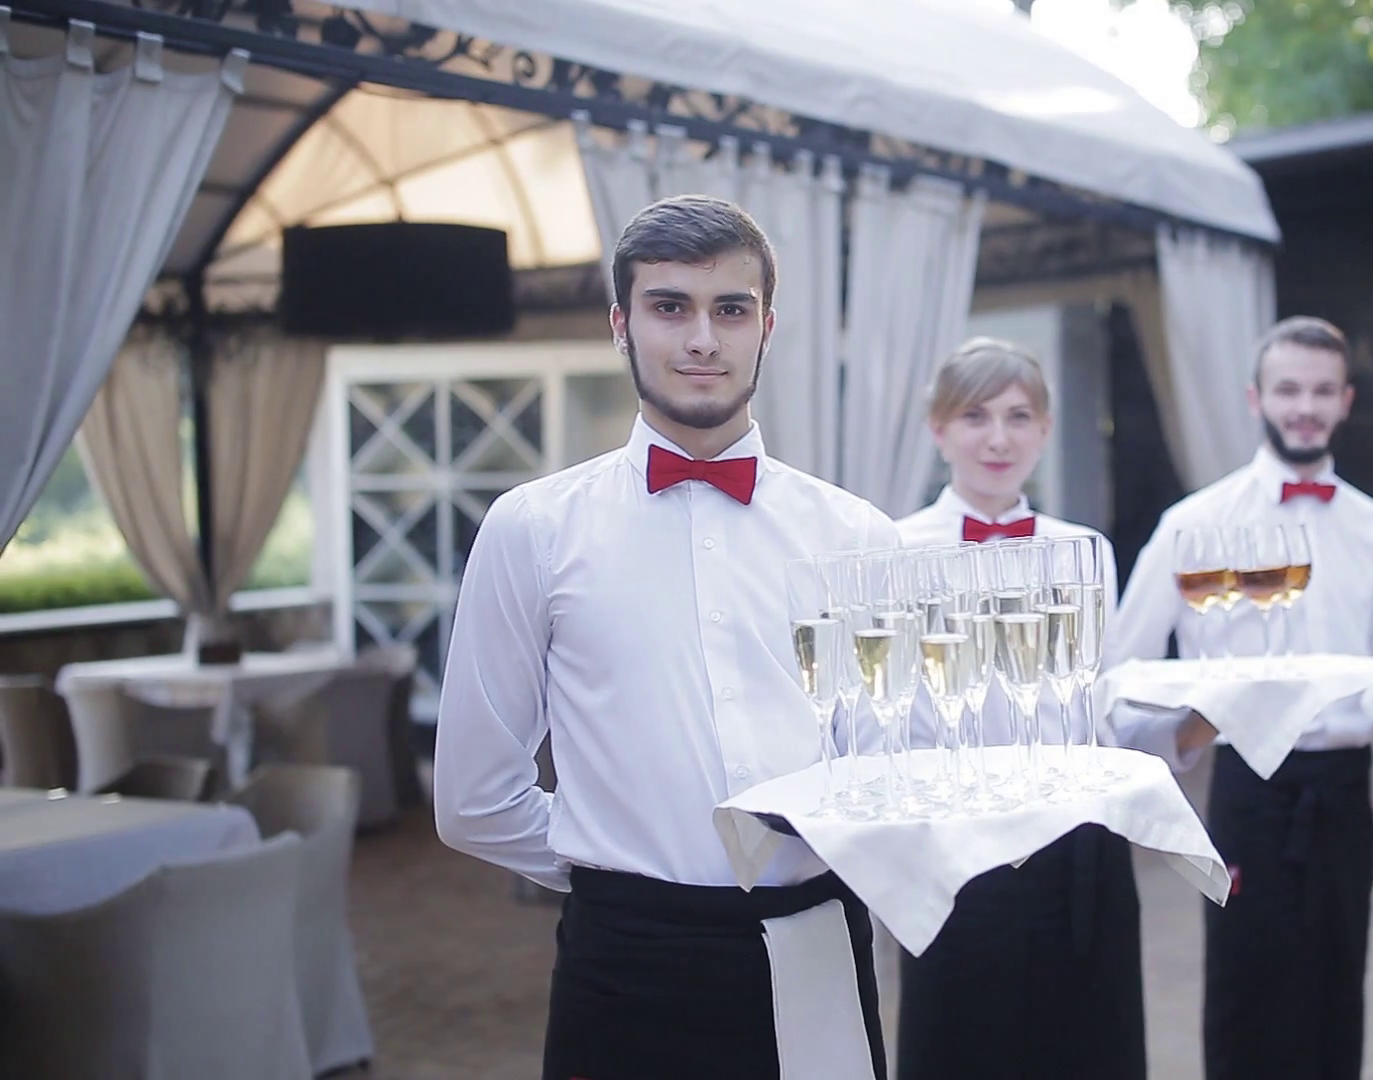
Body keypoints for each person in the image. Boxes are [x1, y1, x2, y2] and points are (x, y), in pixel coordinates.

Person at [435, 194, 897, 1080]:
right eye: (670, 306)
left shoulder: (859, 536)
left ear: (767, 327)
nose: (701, 339)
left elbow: (885, 768)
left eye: (730, 309)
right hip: (625, 966)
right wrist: (620, 865)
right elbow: (472, 799)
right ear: (621, 324)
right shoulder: (532, 528)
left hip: (816, 944)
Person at [1106, 315, 1373, 1080]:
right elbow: (1120, 672)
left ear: (1346, 401)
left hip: (1346, 796)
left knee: (1334, 994)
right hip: (1248, 792)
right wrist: (1186, 736)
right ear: (1257, 397)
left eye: (1322, 391)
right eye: (1289, 389)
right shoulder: (1196, 525)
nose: (1305, 406)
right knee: (1247, 1000)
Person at [891, 337, 1200, 1080]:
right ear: (938, 429)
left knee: (1090, 1049)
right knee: (959, 1050)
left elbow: (1105, 711)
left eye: (1018, 416)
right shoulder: (894, 550)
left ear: (1045, 429)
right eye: (975, 416)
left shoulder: (1085, 550)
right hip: (955, 848)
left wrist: (1196, 723)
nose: (998, 437)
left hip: (1079, 851)